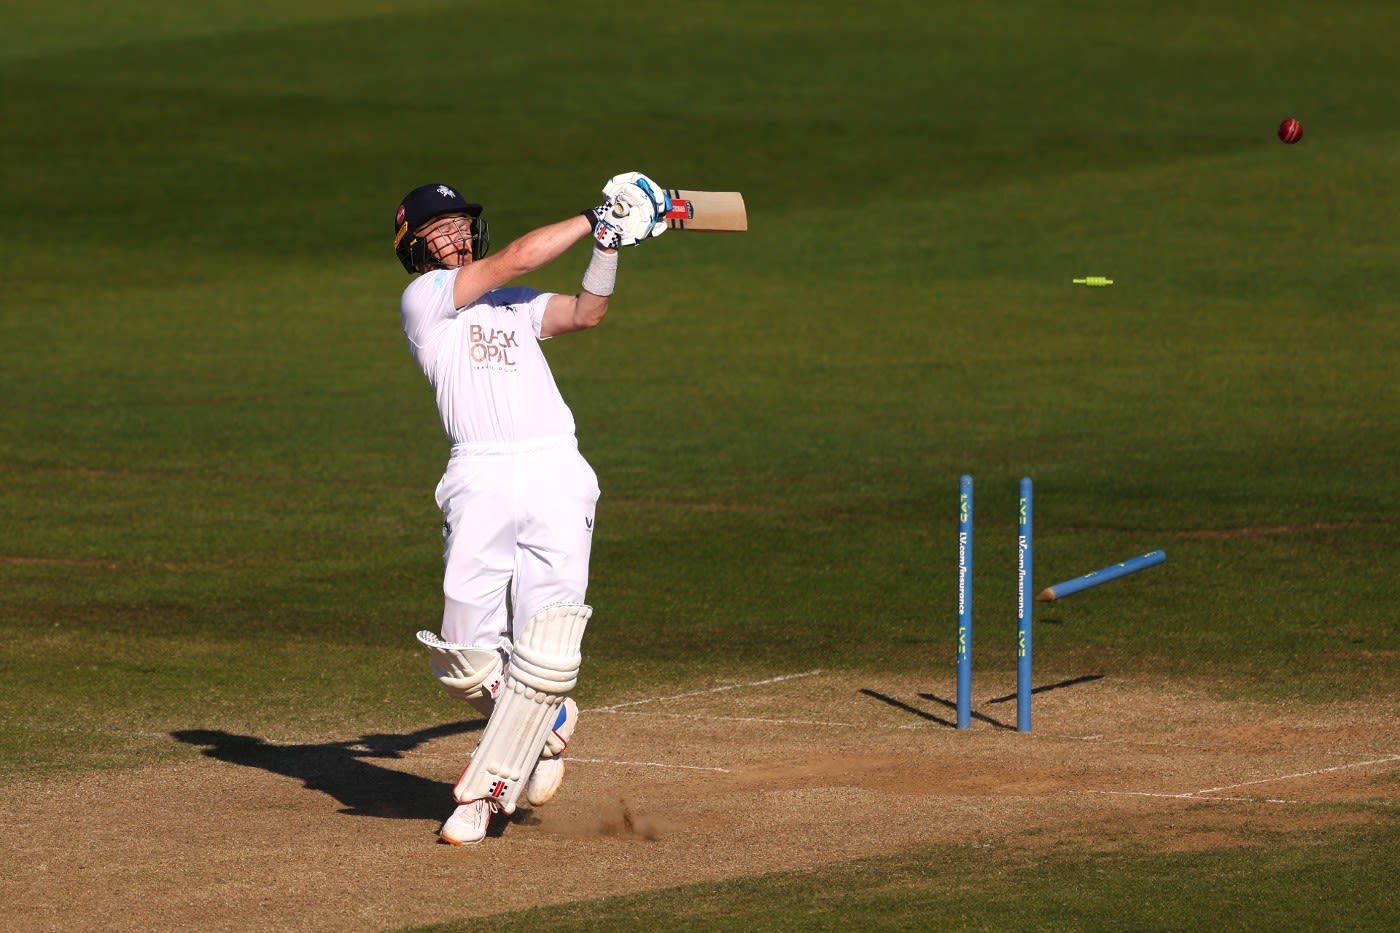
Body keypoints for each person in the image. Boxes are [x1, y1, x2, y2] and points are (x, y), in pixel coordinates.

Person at [391, 174, 668, 845]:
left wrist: (608, 244)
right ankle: (547, 722)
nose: (456, 235)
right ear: (417, 247)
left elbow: (586, 312)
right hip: (480, 474)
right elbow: (514, 257)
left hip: (555, 470)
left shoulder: (513, 307)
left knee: (544, 644)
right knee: (463, 653)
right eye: (441, 229)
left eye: (462, 224)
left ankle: (484, 797)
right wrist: (592, 214)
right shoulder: (425, 300)